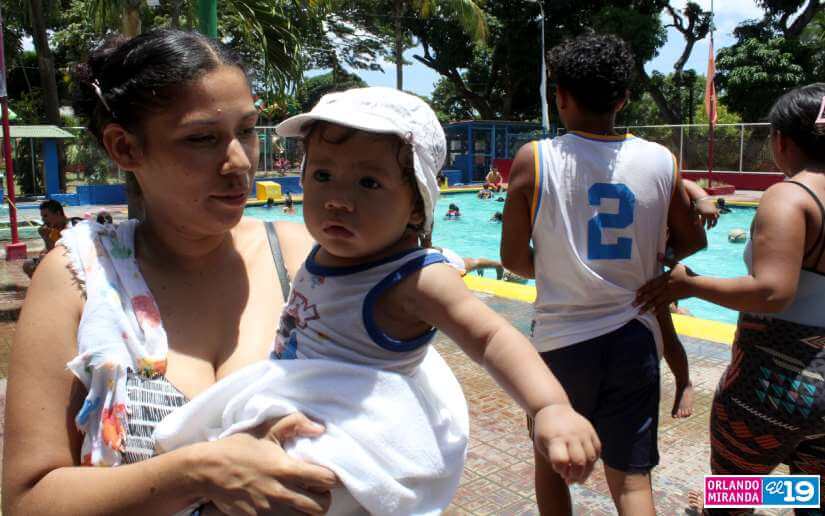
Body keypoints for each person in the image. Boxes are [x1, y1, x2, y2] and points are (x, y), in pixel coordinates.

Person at [154, 87, 601, 514]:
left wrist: (549, 407)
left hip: (354, 425)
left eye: (368, 182)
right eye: (323, 175)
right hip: (299, 390)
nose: (337, 200)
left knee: (291, 492)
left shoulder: (414, 279)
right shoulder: (330, 248)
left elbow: (491, 336)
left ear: (415, 206)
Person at [2, 29, 339, 516]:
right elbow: (27, 501)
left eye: (246, 130)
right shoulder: (81, 278)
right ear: (124, 148)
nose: (240, 163)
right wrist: (197, 472)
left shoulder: (305, 260)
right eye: (202, 139)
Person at [501, 34, 706, 516]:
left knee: (553, 464)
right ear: (624, 98)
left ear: (561, 96)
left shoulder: (536, 158)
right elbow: (693, 240)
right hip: (635, 336)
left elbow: (512, 260)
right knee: (632, 480)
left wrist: (558, 267)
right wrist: (652, 262)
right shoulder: (661, 159)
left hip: (561, 341)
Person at [636, 83, 825, 512]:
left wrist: (690, 284)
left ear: (781, 140)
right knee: (813, 491)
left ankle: (723, 502)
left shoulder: (791, 195)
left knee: (730, 499)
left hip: (777, 380)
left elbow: (773, 292)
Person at [22, 200, 71, 278]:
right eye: (42, 216)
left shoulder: (70, 228)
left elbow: (59, 252)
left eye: (45, 216)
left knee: (41, 262)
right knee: (27, 265)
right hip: (56, 258)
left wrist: (46, 237)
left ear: (57, 213)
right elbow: (50, 248)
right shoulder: (53, 228)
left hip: (68, 259)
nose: (43, 220)